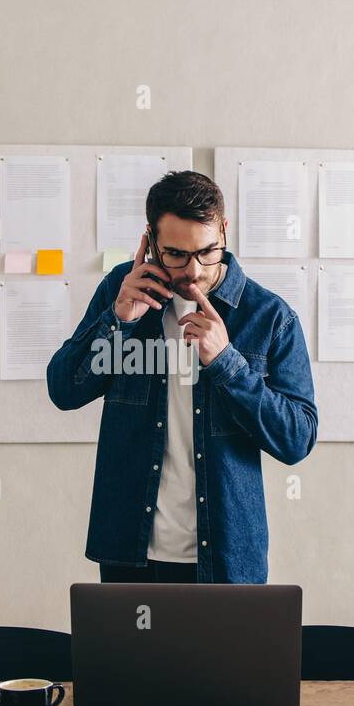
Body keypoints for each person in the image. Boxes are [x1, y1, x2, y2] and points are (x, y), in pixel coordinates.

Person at [47, 171, 317, 584]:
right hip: (130, 554)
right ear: (150, 243)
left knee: (227, 654)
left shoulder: (269, 317)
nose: (193, 270)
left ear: (224, 231)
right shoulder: (119, 292)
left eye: (207, 252)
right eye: (175, 254)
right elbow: (64, 390)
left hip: (227, 559)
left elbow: (297, 439)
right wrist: (117, 320)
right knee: (123, 654)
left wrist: (227, 362)